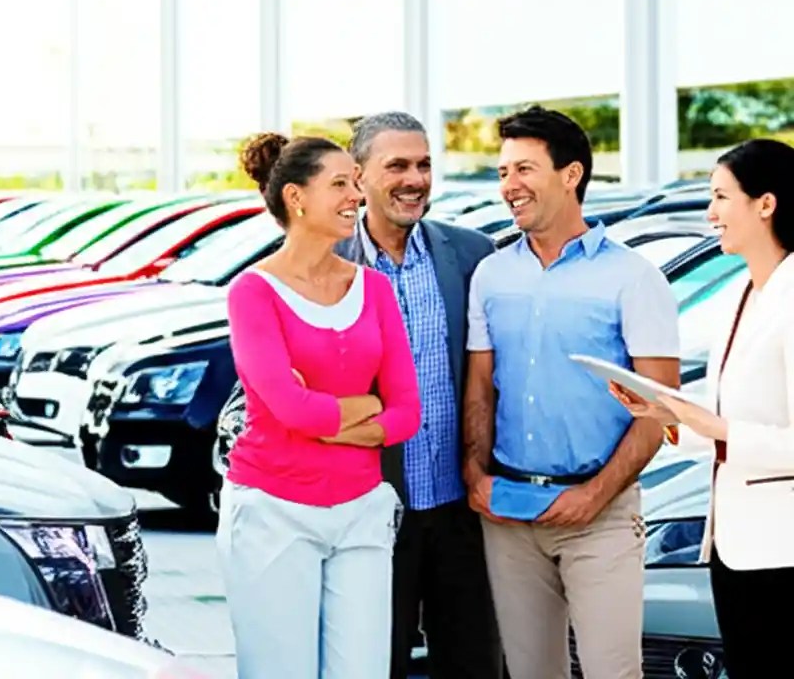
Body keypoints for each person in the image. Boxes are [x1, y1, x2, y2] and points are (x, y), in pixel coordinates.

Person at [462, 105, 681, 679]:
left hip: (600, 517)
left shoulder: (633, 277)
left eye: (525, 169)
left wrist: (596, 495)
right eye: (503, 172)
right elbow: (482, 385)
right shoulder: (491, 274)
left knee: (614, 673)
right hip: (508, 514)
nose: (509, 186)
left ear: (571, 174)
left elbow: (660, 407)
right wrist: (475, 474)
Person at [219, 131, 422, 679]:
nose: (356, 196)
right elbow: (291, 409)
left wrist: (329, 417)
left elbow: (406, 411)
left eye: (356, 184)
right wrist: (363, 405)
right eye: (340, 184)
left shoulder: (375, 289)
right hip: (272, 513)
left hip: (361, 511)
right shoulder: (252, 293)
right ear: (296, 197)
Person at [612, 138, 794, 678]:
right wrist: (668, 417)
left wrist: (708, 424)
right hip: (736, 544)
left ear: (766, 204)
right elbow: (731, 413)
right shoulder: (745, 292)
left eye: (720, 197)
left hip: (782, 547)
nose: (709, 213)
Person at [335, 111, 503, 679]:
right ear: (358, 178)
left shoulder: (473, 254)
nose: (415, 179)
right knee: (376, 663)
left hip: (464, 509)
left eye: (425, 164)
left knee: (475, 662)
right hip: (373, 512)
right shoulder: (327, 265)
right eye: (398, 165)